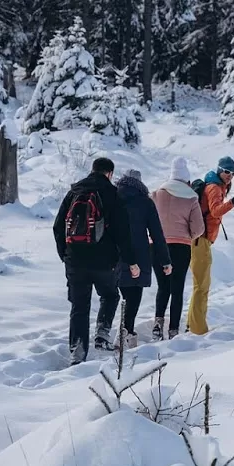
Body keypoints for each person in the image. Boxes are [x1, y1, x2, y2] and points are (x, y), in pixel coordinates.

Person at [52, 156, 139, 364]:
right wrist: (131, 261)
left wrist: (65, 255)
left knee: (79, 306)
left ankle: (77, 352)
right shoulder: (112, 194)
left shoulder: (74, 192)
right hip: (105, 262)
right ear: (109, 174)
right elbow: (123, 233)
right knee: (110, 295)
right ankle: (102, 335)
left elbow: (57, 226)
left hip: (75, 260)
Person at [186, 156, 234, 336]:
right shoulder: (214, 188)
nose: (230, 176)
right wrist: (233, 201)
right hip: (200, 241)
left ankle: (193, 323)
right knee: (201, 286)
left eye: (233, 173)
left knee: (201, 285)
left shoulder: (215, 185)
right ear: (219, 170)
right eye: (227, 172)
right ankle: (198, 329)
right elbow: (216, 210)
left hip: (201, 241)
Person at [113, 169, 171, 347]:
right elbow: (156, 233)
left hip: (114, 252)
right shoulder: (145, 202)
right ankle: (126, 331)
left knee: (123, 291)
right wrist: (165, 260)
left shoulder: (113, 198)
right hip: (139, 253)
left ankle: (124, 331)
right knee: (135, 293)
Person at [152, 156, 205, 339]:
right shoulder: (191, 197)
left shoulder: (157, 193)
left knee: (163, 286)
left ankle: (158, 323)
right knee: (177, 288)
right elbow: (199, 228)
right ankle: (173, 329)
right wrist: (187, 236)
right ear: (186, 178)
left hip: (157, 246)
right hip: (181, 247)